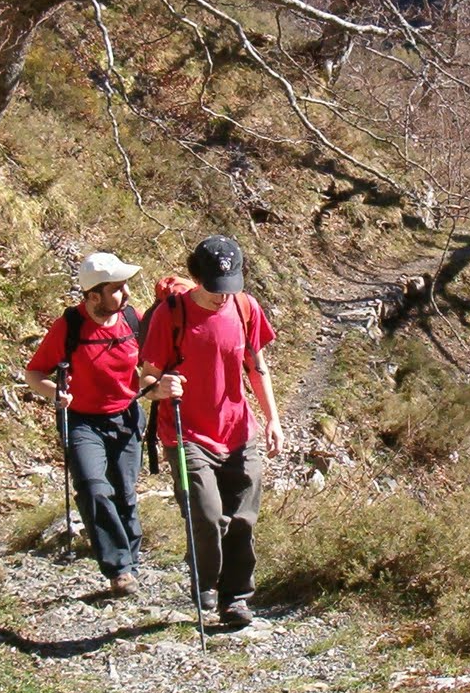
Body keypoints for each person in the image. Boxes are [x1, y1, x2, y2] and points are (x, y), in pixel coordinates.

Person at [139, 235, 283, 628]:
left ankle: (235, 598)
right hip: (186, 433)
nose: (223, 297)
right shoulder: (171, 315)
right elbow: (147, 379)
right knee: (206, 515)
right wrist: (161, 387)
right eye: (215, 289)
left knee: (241, 519)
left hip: (238, 429)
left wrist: (272, 418)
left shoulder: (245, 306)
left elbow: (256, 366)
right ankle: (205, 580)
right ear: (196, 277)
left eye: (230, 287)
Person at [25, 252, 153, 597]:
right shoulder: (69, 326)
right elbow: (35, 372)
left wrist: (154, 383)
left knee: (125, 494)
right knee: (94, 489)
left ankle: (131, 562)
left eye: (125, 286)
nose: (125, 293)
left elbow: (151, 364)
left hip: (125, 417)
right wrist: (56, 393)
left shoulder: (133, 320)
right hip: (82, 421)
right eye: (117, 288)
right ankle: (119, 570)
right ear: (93, 295)